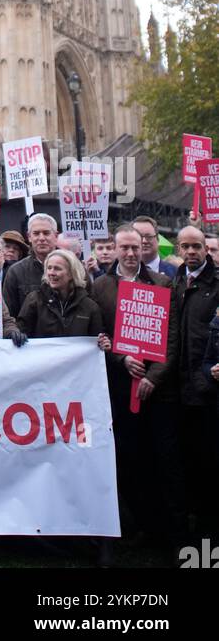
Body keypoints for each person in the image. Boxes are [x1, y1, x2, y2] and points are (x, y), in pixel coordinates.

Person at [92, 224, 185, 547]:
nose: (131, 254)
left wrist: (152, 377)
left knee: (165, 460)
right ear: (115, 248)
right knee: (130, 458)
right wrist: (121, 358)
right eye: (125, 248)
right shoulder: (101, 286)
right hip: (120, 388)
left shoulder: (162, 283)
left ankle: (173, 533)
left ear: (146, 246)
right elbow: (100, 334)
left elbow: (172, 337)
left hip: (158, 391)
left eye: (136, 247)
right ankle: (139, 527)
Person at [170, 226, 219, 530]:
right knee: (183, 456)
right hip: (176, 386)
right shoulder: (173, 282)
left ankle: (210, 523)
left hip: (208, 386)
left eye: (196, 246)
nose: (190, 252)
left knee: (210, 457)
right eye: (185, 247)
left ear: (205, 248)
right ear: (178, 249)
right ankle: (191, 517)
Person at [16, 250, 103, 339]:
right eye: (49, 268)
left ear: (71, 273)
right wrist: (18, 335)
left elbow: (96, 340)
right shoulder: (34, 300)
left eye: (57, 268)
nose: (51, 273)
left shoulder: (89, 306)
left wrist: (103, 342)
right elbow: (22, 330)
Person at [2, 213, 57, 317]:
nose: (41, 238)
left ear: (56, 236)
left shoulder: (73, 267)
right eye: (36, 233)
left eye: (46, 233)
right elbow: (9, 316)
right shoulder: (16, 272)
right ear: (29, 237)